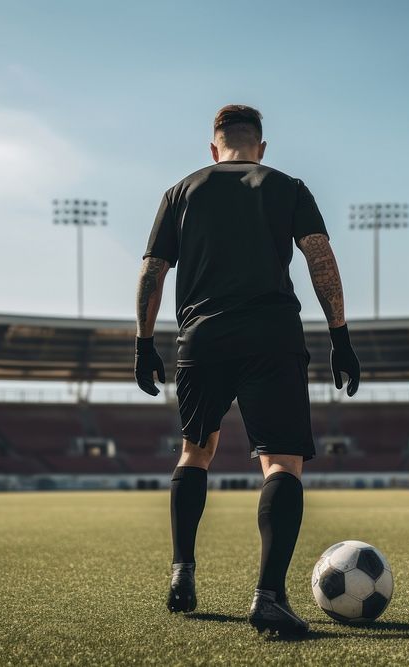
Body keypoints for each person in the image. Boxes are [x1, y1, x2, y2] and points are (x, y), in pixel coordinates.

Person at [133, 104, 361, 635]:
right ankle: (269, 597)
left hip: (202, 338)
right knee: (281, 465)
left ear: (214, 149)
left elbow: (153, 270)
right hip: (272, 338)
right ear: (260, 147)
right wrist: (340, 337)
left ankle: (181, 572)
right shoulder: (288, 186)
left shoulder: (181, 191)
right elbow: (320, 256)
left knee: (196, 453)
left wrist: (144, 342)